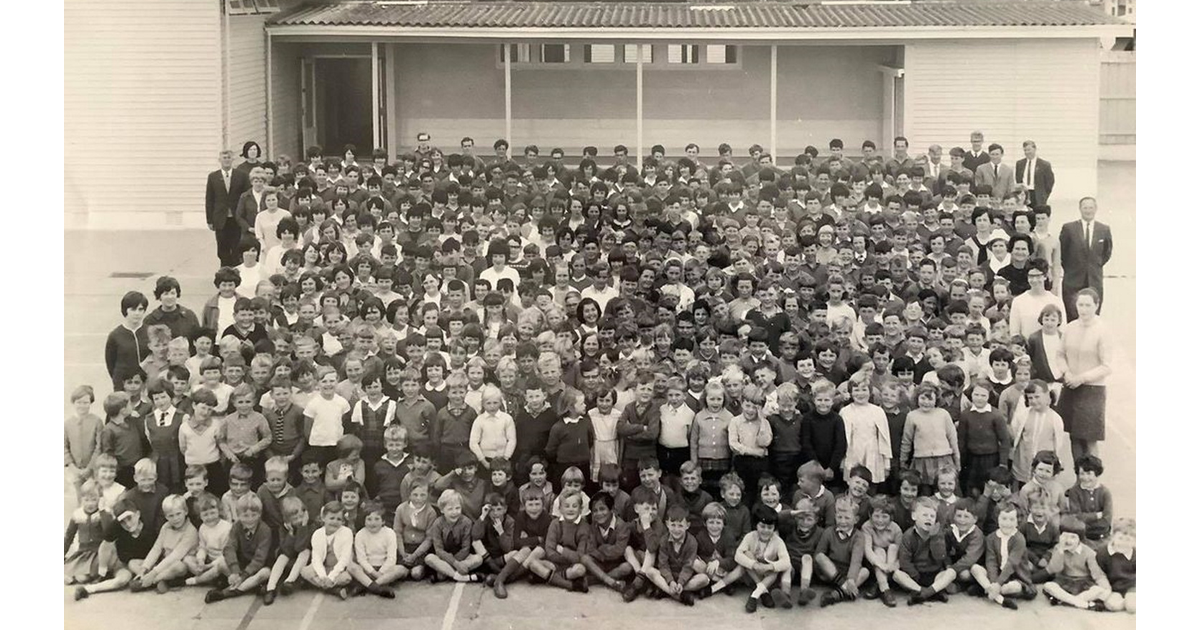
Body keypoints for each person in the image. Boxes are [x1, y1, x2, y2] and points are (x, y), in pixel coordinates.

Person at [1058, 289, 1112, 461]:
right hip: (1071, 386)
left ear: (1096, 305)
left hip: (1092, 390)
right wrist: (1066, 373)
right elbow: (1060, 354)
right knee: (1074, 435)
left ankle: (1092, 479)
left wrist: (1081, 378)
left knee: (1089, 439)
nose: (1084, 309)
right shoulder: (1070, 328)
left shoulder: (1103, 330)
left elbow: (1106, 366)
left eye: (1088, 305)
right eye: (1080, 305)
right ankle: (1078, 479)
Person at [1058, 197, 1112, 320]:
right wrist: (1072, 268)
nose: (1088, 210)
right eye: (1085, 207)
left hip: (1094, 281)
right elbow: (1062, 254)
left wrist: (1093, 266)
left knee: (1093, 319)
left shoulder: (1104, 229)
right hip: (1072, 281)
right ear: (1080, 209)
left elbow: (1106, 253)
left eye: (1091, 207)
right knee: (1073, 317)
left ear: (1096, 209)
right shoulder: (1069, 228)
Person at [207, 150, 253, 267]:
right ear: (219, 160)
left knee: (236, 245)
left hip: (236, 217)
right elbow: (210, 199)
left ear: (232, 160)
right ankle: (224, 269)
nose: (226, 160)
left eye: (229, 158)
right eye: (224, 158)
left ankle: (236, 269)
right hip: (220, 218)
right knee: (222, 246)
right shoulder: (213, 177)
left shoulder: (241, 176)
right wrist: (210, 220)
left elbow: (247, 196)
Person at [105, 291, 151, 390]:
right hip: (124, 386)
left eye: (140, 309)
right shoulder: (115, 335)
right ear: (125, 310)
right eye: (133, 309)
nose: (137, 313)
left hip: (147, 385)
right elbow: (111, 364)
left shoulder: (150, 332)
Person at [1015, 140, 1055, 207]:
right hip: (1024, 194)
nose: (1027, 152)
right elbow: (1018, 179)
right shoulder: (1020, 163)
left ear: (1035, 149)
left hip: (1037, 195)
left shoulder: (1044, 164)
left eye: (1029, 150)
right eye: (1025, 150)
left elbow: (1050, 182)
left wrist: (1044, 195)